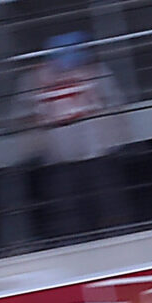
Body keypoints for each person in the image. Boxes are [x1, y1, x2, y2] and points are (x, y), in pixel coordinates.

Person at [18, 31, 128, 241]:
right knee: (67, 216)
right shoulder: (34, 79)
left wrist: (115, 140)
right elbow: (24, 115)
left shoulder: (96, 71)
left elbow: (114, 104)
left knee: (110, 209)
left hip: (97, 154)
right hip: (60, 160)